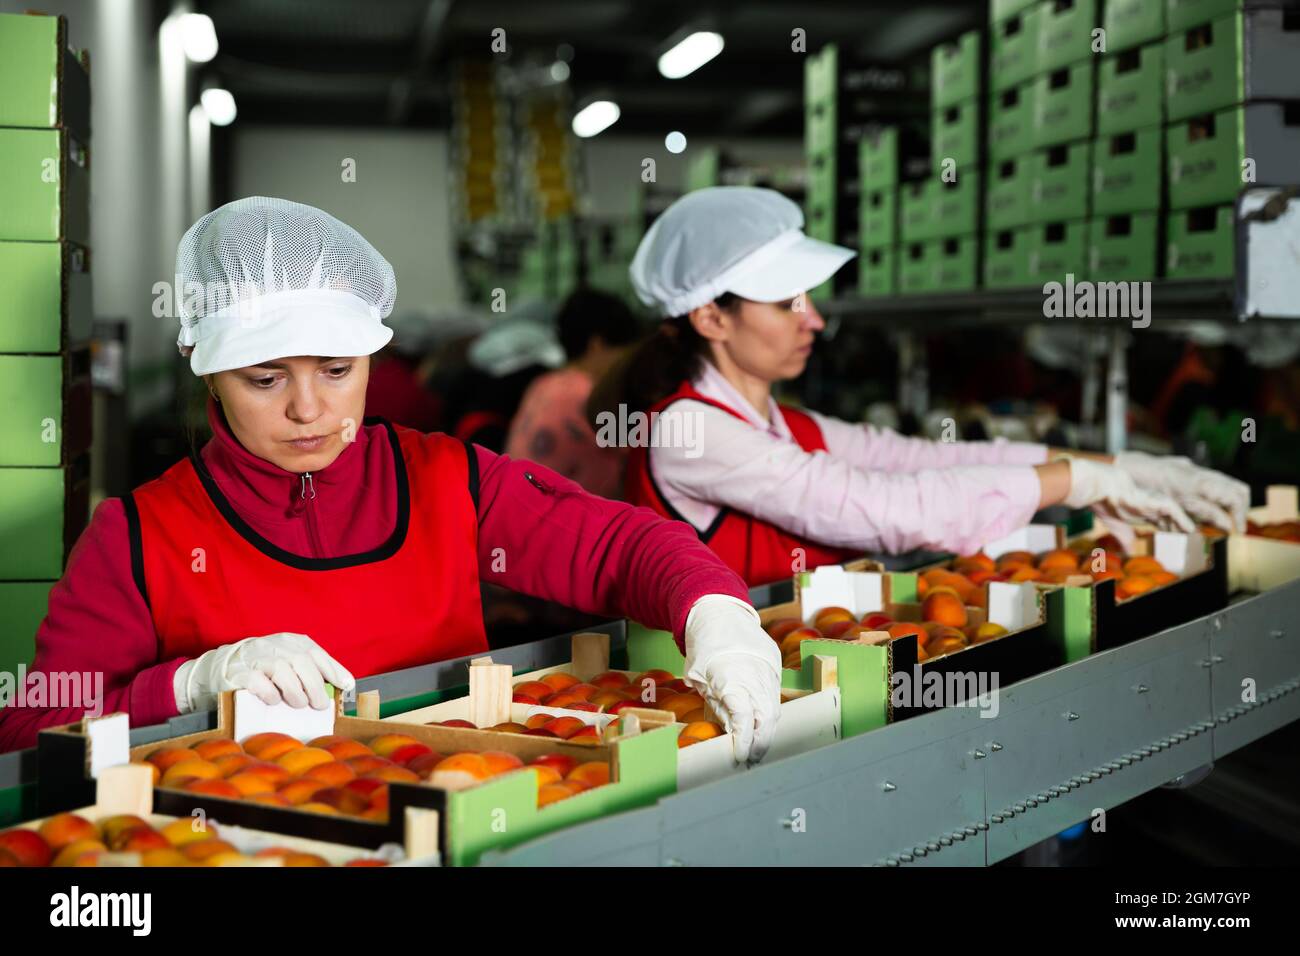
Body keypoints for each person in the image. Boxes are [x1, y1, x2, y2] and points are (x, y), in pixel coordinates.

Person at [0, 197, 782, 764]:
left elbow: (617, 545)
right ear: (206, 375)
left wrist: (715, 612)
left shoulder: (447, 479)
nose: (310, 410)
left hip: (470, 809)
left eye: (338, 371)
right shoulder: (140, 536)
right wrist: (191, 683)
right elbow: (26, 733)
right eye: (265, 379)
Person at [602, 187, 1248, 587]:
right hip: (703, 717)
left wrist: (1117, 466)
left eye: (811, 299)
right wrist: (1073, 483)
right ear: (711, 316)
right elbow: (889, 509)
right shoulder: (691, 433)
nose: (816, 320)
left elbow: (921, 459)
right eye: (787, 304)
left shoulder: (785, 425)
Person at [505, 288, 640, 499]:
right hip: (565, 523)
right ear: (597, 345)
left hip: (521, 516)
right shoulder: (593, 397)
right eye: (623, 354)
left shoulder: (541, 386)